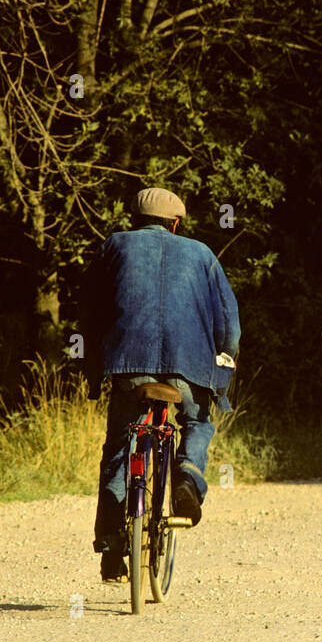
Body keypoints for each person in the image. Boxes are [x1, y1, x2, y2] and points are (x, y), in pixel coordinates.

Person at [81, 187, 240, 583]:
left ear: (133, 219)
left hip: (128, 367)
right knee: (199, 422)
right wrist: (222, 369)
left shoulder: (114, 246)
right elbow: (230, 326)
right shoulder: (203, 254)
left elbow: (90, 311)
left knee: (119, 448)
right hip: (190, 369)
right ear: (176, 223)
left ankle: (112, 547)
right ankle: (187, 475)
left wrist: (93, 369)